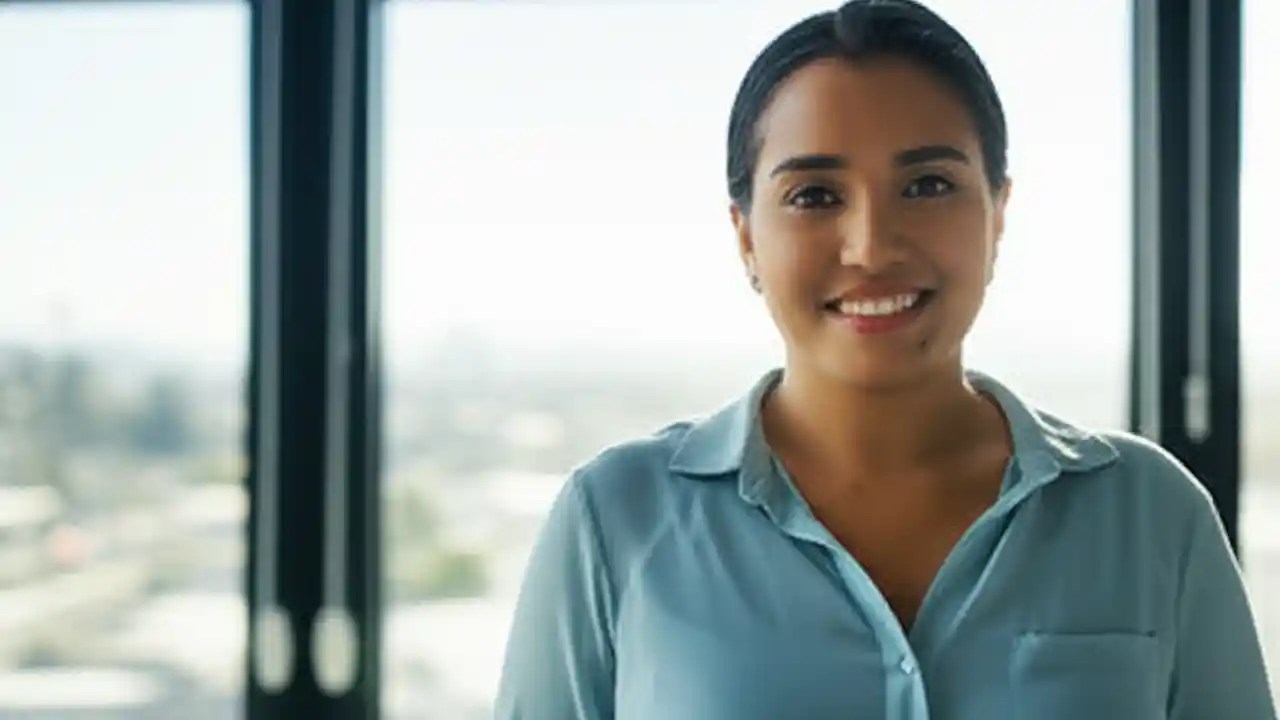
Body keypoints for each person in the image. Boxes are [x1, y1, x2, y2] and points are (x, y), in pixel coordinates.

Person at [493, 1, 1278, 718]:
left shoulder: (1150, 515)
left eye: (929, 184)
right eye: (814, 196)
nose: (871, 247)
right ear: (745, 237)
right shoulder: (614, 521)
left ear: (998, 216)